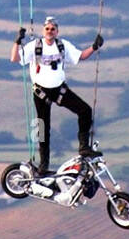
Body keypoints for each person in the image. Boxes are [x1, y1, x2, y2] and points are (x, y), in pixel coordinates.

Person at [10, 15, 104, 175]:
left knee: (85, 111)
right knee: (43, 128)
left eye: (53, 29)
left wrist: (94, 47)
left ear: (57, 31)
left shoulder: (63, 45)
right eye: (47, 29)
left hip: (60, 90)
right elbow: (14, 58)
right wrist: (17, 41)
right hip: (41, 93)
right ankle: (43, 165)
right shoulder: (35, 46)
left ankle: (84, 147)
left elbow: (80, 56)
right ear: (43, 30)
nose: (50, 31)